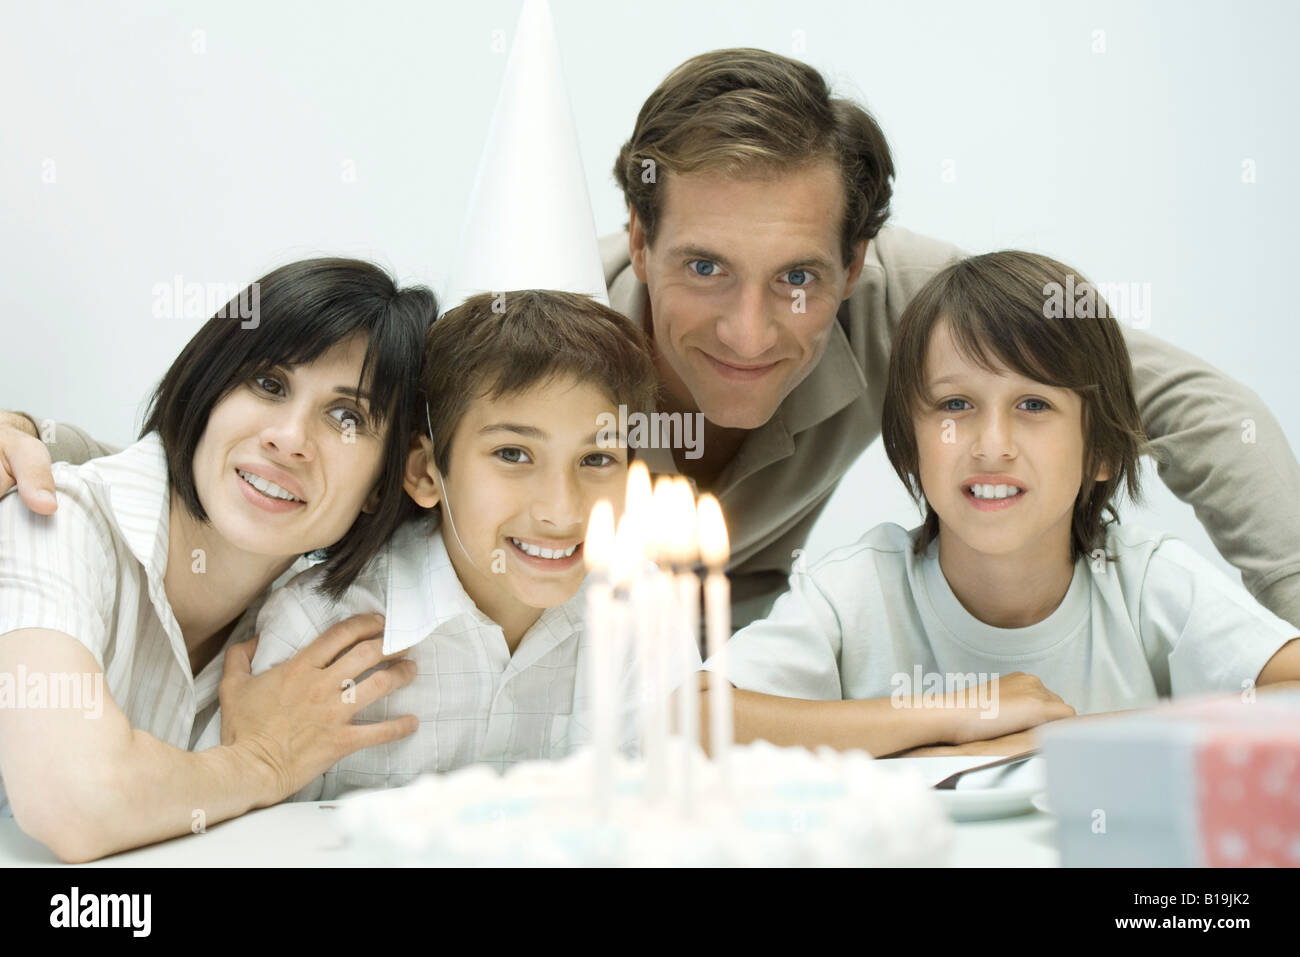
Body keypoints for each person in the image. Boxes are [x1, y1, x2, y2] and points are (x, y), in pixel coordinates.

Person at [6, 48, 1300, 631]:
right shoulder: (523, 347)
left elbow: (1187, 401)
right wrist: (47, 444)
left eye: (800, 277)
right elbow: (298, 451)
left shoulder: (911, 292)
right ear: (634, 225)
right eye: (700, 268)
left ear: (855, 261)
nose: (751, 329)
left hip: (721, 651)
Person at [701, 251, 1300, 757]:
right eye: (956, 405)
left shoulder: (1148, 585)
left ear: (1102, 453)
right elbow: (690, 717)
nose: (992, 446)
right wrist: (955, 716)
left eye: (1033, 405)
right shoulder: (854, 592)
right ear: (910, 446)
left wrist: (1053, 743)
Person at [0, 258, 432, 861]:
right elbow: (76, 801)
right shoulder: (52, 518)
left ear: (384, 487)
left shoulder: (300, 627)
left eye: (346, 417)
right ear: (206, 390)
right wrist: (260, 763)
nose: (289, 438)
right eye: (270, 384)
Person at [192, 289, 699, 799]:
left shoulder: (641, 609)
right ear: (426, 472)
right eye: (513, 453)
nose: (561, 510)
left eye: (596, 460)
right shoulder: (318, 627)